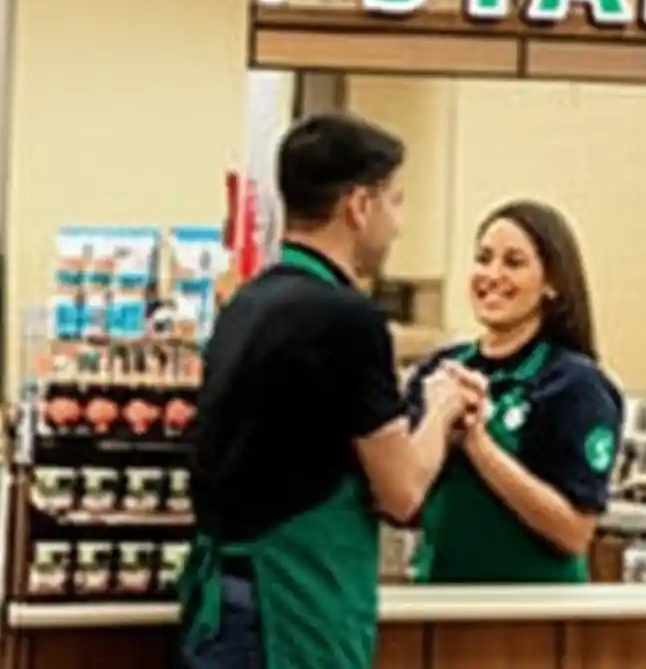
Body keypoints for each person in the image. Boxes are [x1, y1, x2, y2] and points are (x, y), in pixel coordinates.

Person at [178, 113, 485, 668]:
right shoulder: (345, 319)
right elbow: (403, 492)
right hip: (291, 612)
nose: (398, 224)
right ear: (358, 205)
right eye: (395, 201)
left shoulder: (244, 307)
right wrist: (441, 408)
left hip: (222, 604)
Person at [403, 200, 623, 583]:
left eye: (514, 262)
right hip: (438, 599)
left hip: (531, 614)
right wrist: (436, 424)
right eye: (483, 258)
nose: (492, 275)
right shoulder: (439, 372)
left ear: (552, 282)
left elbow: (573, 533)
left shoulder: (574, 384)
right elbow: (404, 504)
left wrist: (477, 444)